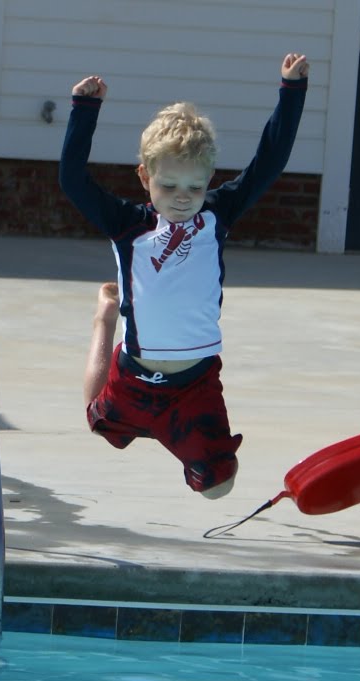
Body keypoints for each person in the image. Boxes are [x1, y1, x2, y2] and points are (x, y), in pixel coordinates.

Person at [60, 54, 309, 499]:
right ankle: (105, 320)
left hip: (193, 384)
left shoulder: (218, 214)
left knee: (218, 488)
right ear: (145, 177)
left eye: (195, 187)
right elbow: (73, 181)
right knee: (100, 426)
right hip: (135, 375)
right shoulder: (127, 225)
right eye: (169, 186)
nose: (182, 199)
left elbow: (268, 163)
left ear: (209, 178)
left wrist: (291, 91)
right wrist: (84, 110)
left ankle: (172, 431)